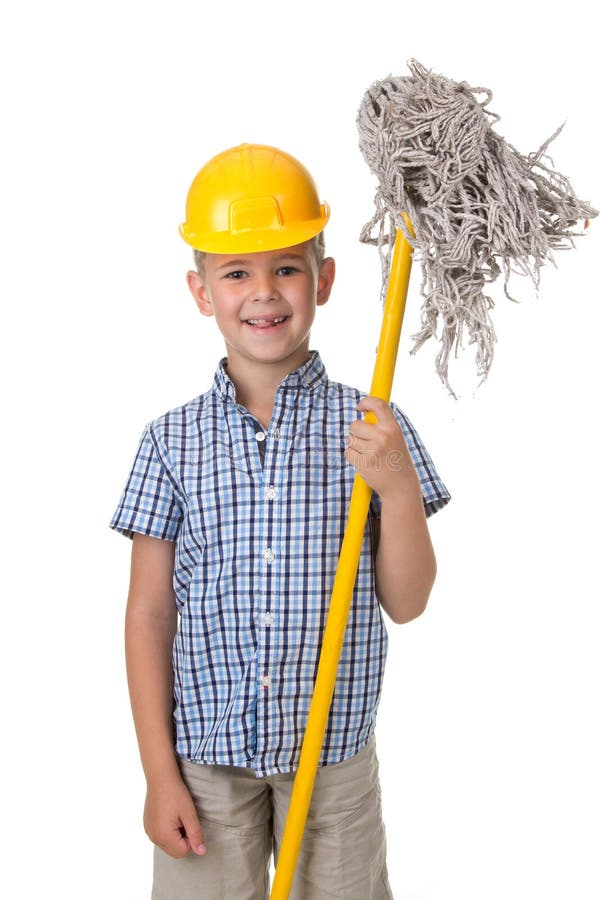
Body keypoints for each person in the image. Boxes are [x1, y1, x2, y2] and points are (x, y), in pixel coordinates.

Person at [109, 143, 451, 899]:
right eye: (236, 272)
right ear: (202, 292)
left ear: (323, 280)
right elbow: (149, 612)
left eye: (286, 267)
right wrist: (157, 774)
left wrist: (395, 488)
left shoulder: (373, 429)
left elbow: (409, 600)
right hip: (205, 766)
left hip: (334, 763)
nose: (264, 292)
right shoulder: (170, 442)